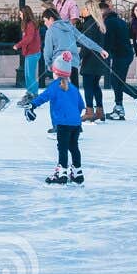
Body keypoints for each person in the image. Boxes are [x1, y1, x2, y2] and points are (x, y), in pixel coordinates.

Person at [26, 50, 85, 185]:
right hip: (76, 124)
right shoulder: (73, 88)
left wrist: (32, 105)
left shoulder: (54, 86)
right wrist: (73, 115)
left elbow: (43, 97)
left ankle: (62, 172)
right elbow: (81, 105)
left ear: (56, 72)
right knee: (74, 147)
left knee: (62, 147)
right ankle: (77, 172)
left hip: (63, 124)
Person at [99, 1, 137, 120]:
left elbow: (108, 42)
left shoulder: (109, 23)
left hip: (120, 55)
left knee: (116, 82)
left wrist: (103, 53)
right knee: (118, 82)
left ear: (102, 12)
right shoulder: (120, 21)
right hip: (126, 54)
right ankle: (119, 108)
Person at [77, 1, 108, 122]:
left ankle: (89, 111)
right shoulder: (99, 23)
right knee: (95, 86)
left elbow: (87, 44)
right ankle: (100, 110)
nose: (82, 11)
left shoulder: (89, 23)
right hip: (99, 59)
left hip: (90, 60)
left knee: (88, 86)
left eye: (84, 9)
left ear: (89, 10)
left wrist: (79, 57)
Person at [14, 4, 41, 108]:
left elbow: (28, 39)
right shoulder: (28, 24)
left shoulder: (31, 25)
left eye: (20, 13)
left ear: (25, 14)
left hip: (33, 53)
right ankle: (30, 93)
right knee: (27, 75)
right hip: (30, 53)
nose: (19, 15)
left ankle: (34, 95)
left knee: (30, 76)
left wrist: (18, 45)